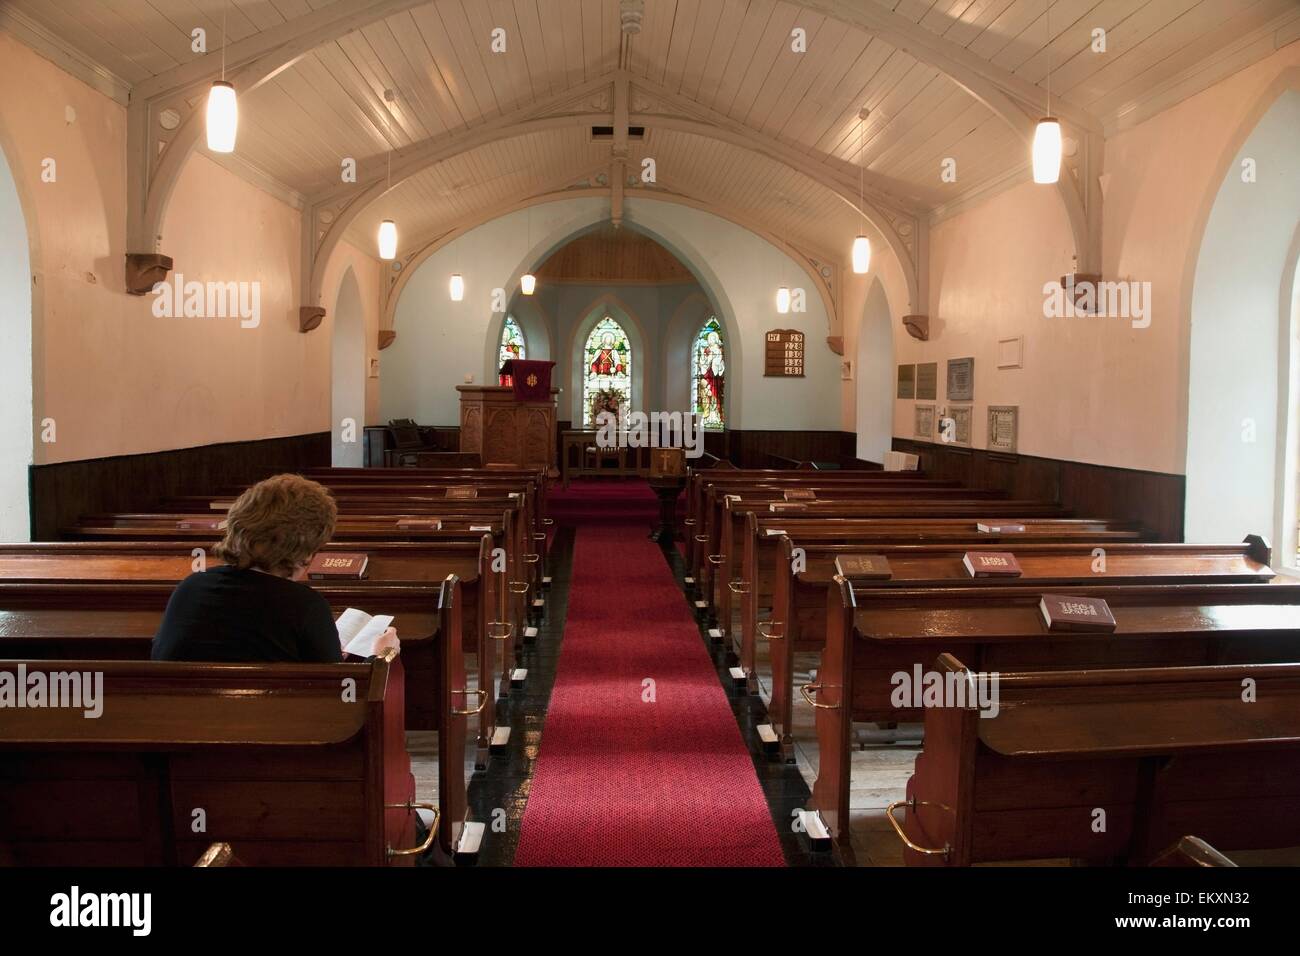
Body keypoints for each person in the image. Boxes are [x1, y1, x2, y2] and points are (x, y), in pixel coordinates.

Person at [151, 473, 396, 663]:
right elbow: (339, 695)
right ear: (305, 550)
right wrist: (383, 654)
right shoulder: (304, 606)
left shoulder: (190, 587)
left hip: (180, 724)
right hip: (271, 727)